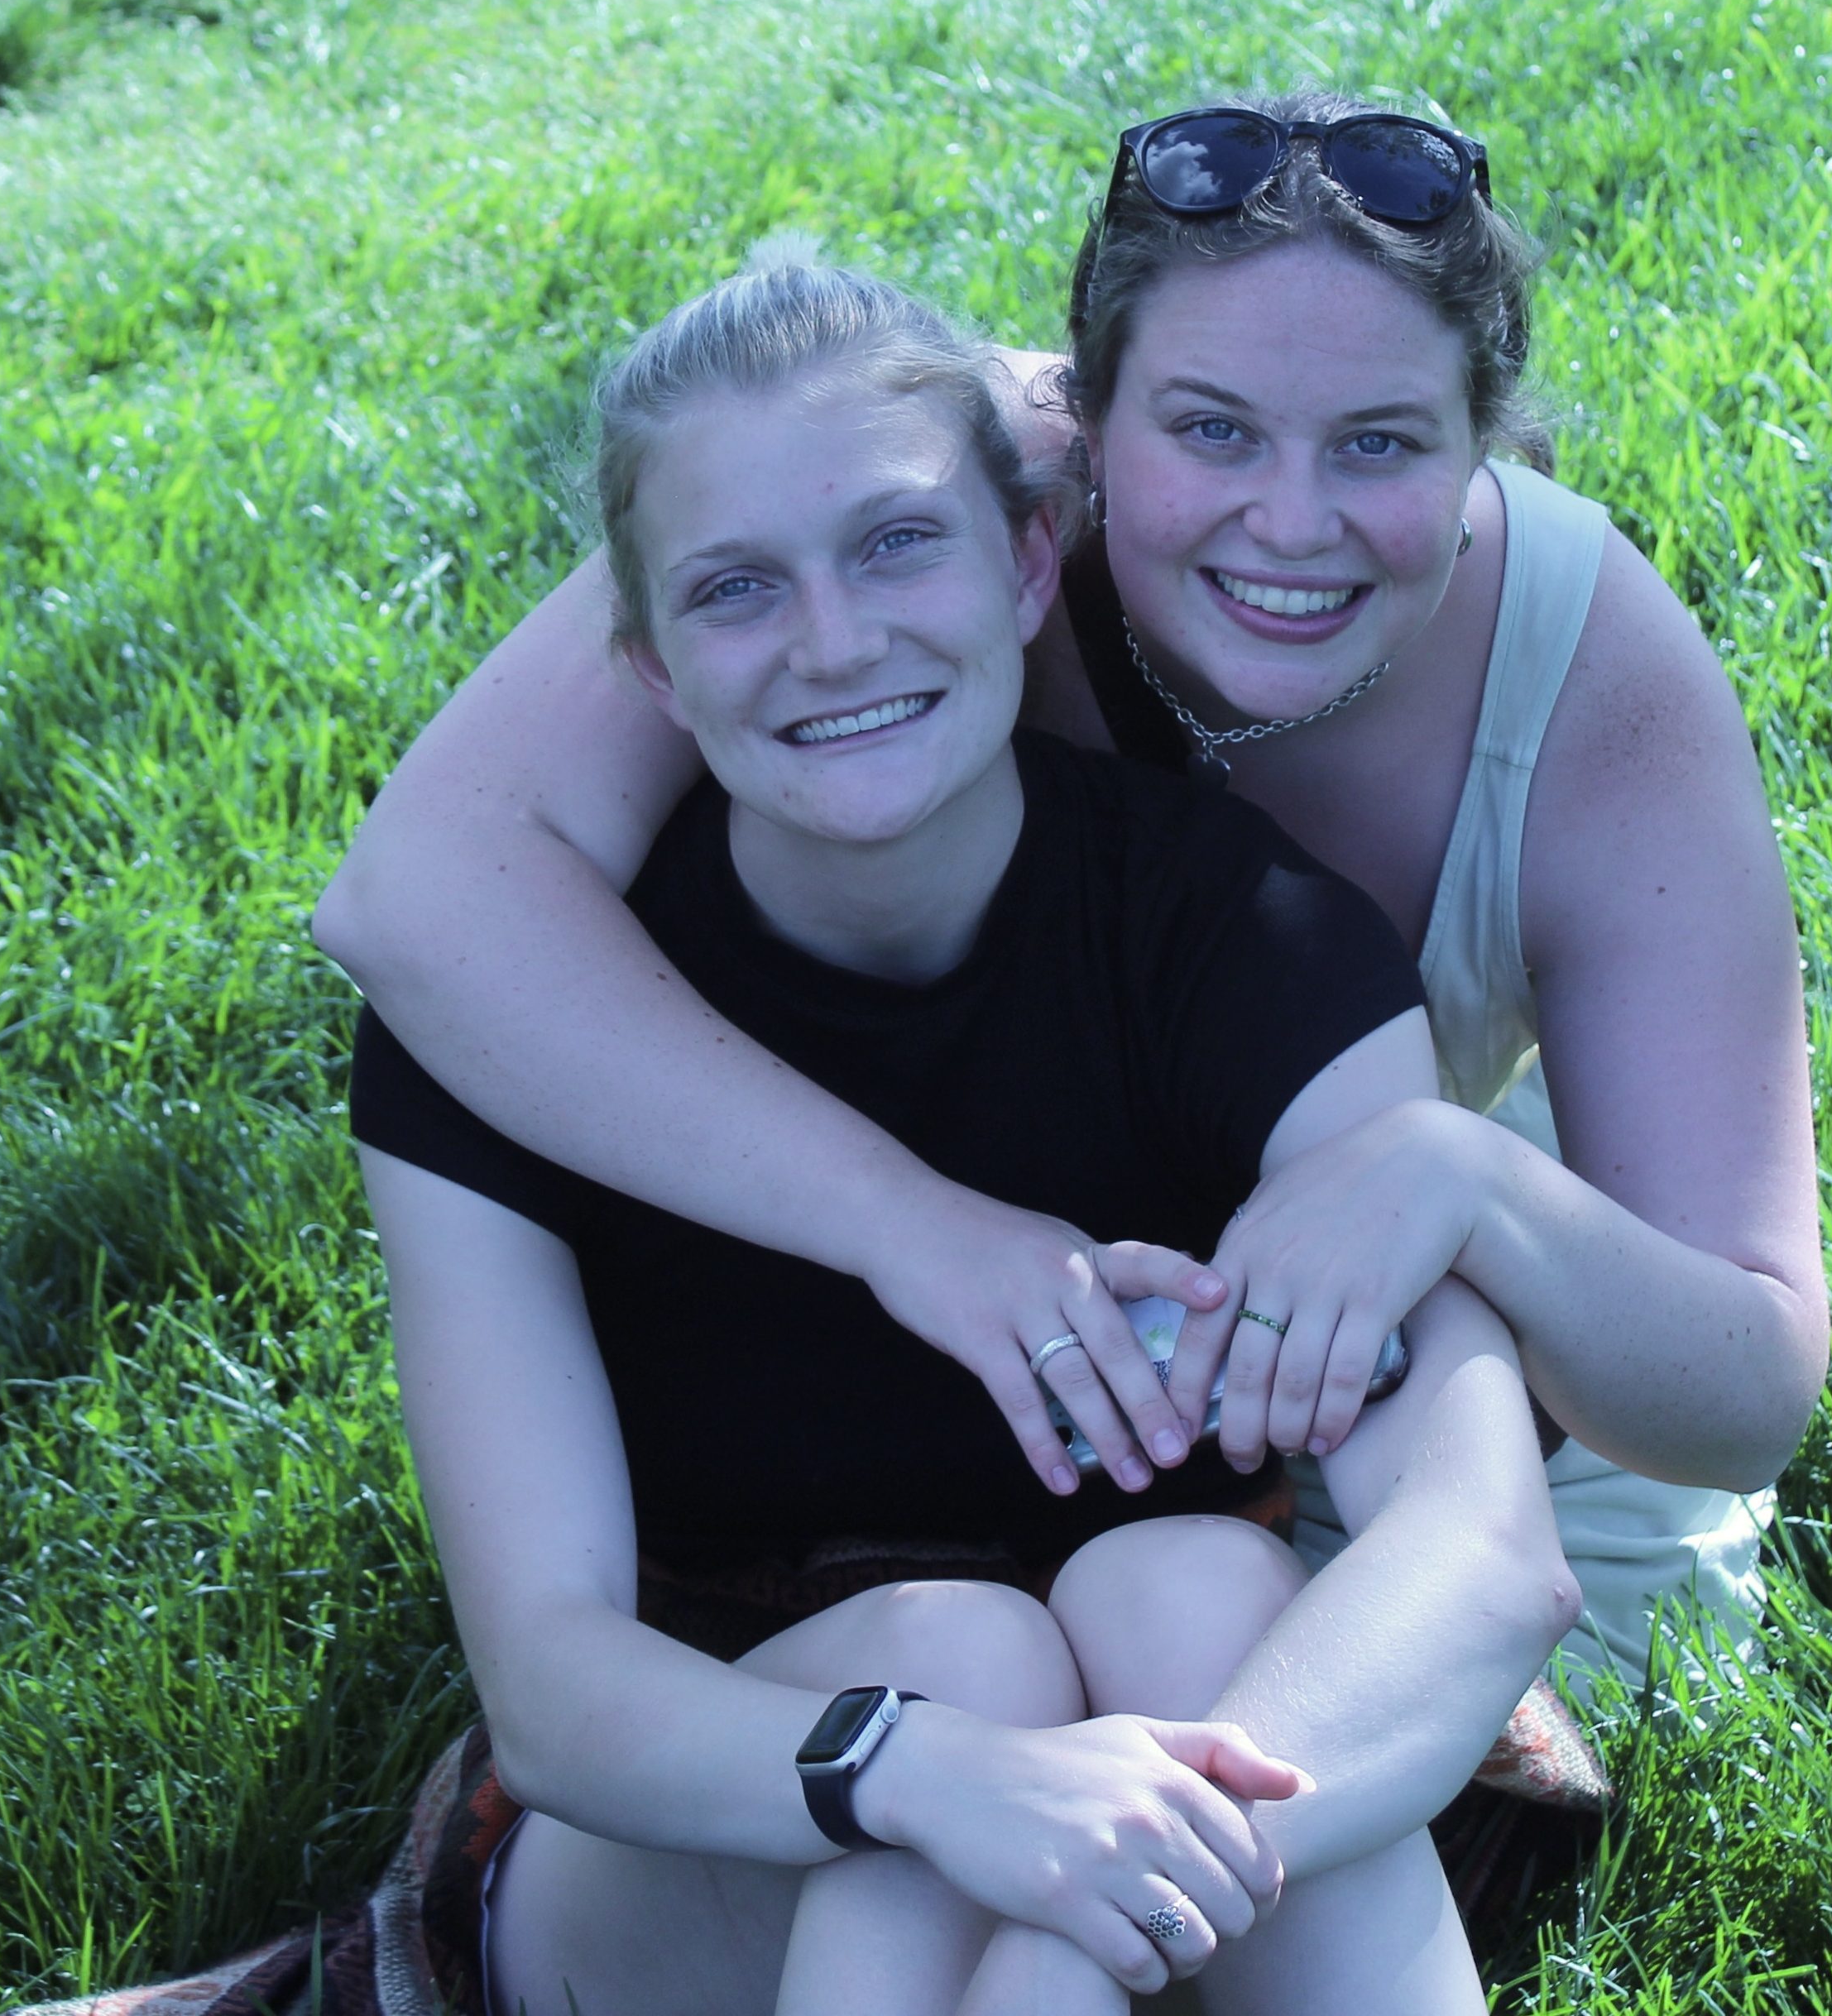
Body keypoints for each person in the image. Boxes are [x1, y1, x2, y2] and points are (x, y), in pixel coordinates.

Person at [314, 89, 1830, 1699]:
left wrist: (1470, 1183)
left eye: (1379, 442)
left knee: (1431, 1779)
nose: (1291, 524)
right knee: (956, 1773)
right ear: (1074, 423)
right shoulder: (896, 516)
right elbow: (424, 898)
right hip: (915, 1443)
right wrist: (910, 1226)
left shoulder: (1589, 671)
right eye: (1209, 428)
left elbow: (1742, 1388)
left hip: (1436, 1376)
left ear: (1484, 442)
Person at [352, 256, 1575, 2015]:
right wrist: (944, 1780)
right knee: (962, 1658)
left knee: (1193, 1581)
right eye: (734, 589)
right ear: (651, 663)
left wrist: (1095, 1896)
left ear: (1024, 570)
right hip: (709, 1811)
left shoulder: (1240, 947)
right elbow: (556, 1699)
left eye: (895, 543)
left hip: (1221, 1790)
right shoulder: (518, 1024)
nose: (834, 640)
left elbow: (1477, 1555)